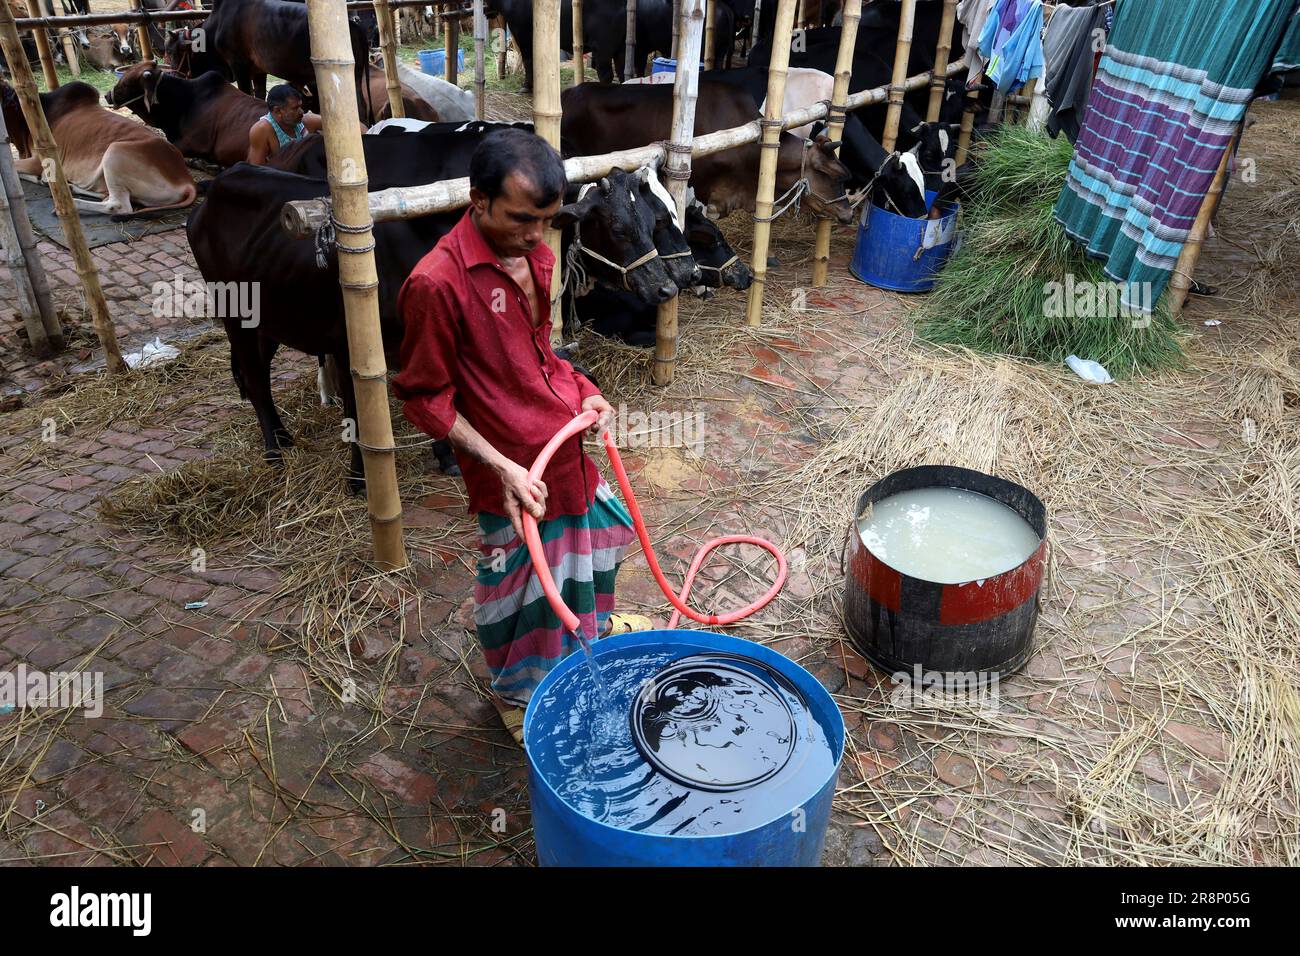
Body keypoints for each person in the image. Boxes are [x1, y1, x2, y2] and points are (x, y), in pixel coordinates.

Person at [392, 129, 649, 745]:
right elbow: (425, 400)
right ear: (477, 201)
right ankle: (516, 691)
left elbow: (541, 354)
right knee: (518, 580)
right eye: (522, 219)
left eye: (548, 219)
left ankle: (589, 630)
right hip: (509, 467)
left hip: (564, 445)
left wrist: (582, 385)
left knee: (588, 549)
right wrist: (499, 465)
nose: (537, 234)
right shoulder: (435, 283)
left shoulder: (536, 256)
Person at [246, 84, 323, 165]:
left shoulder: (307, 121)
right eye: (295, 108)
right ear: (278, 111)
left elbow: (336, 126)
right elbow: (257, 171)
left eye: (300, 106)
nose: (302, 111)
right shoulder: (262, 130)